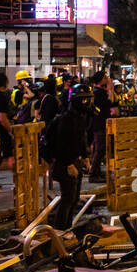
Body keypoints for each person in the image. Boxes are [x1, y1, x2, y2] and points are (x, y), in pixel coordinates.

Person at [43, 82, 92, 229]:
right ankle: (60, 231)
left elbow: (81, 139)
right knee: (68, 198)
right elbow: (61, 144)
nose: (87, 103)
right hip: (64, 164)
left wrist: (85, 157)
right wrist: (68, 164)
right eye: (84, 100)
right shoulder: (65, 119)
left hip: (74, 161)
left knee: (74, 199)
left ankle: (67, 230)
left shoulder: (80, 117)